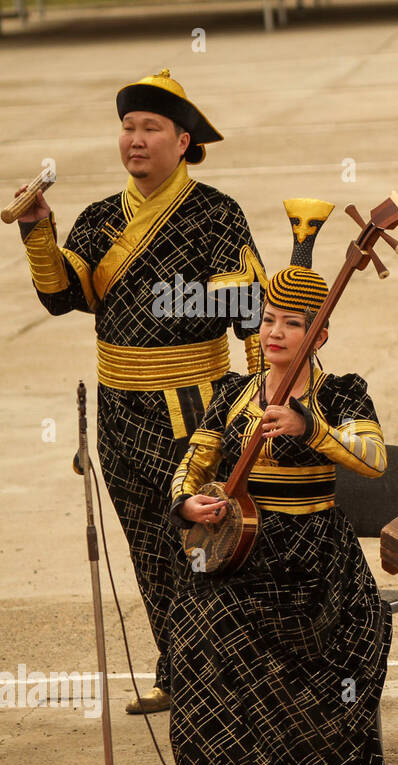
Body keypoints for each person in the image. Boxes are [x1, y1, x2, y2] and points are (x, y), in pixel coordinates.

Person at [15, 70, 267, 714]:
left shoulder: (216, 212)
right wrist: (39, 230)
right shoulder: (101, 218)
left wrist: (261, 393)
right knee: (148, 538)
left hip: (194, 399)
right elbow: (64, 294)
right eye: (128, 127)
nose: (135, 139)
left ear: (183, 141)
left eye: (150, 127)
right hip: (119, 404)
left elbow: (249, 306)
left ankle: (222, 668)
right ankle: (177, 668)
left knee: (204, 532)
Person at [165, 200, 392, 765]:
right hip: (244, 545)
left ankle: (302, 756)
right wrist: (189, 504)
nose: (273, 332)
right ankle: (226, 764)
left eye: (292, 322)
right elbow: (193, 462)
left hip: (315, 555)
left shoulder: (341, 392)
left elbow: (375, 460)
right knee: (199, 622)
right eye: (268, 319)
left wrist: (311, 430)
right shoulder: (235, 392)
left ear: (319, 332)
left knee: (322, 633)